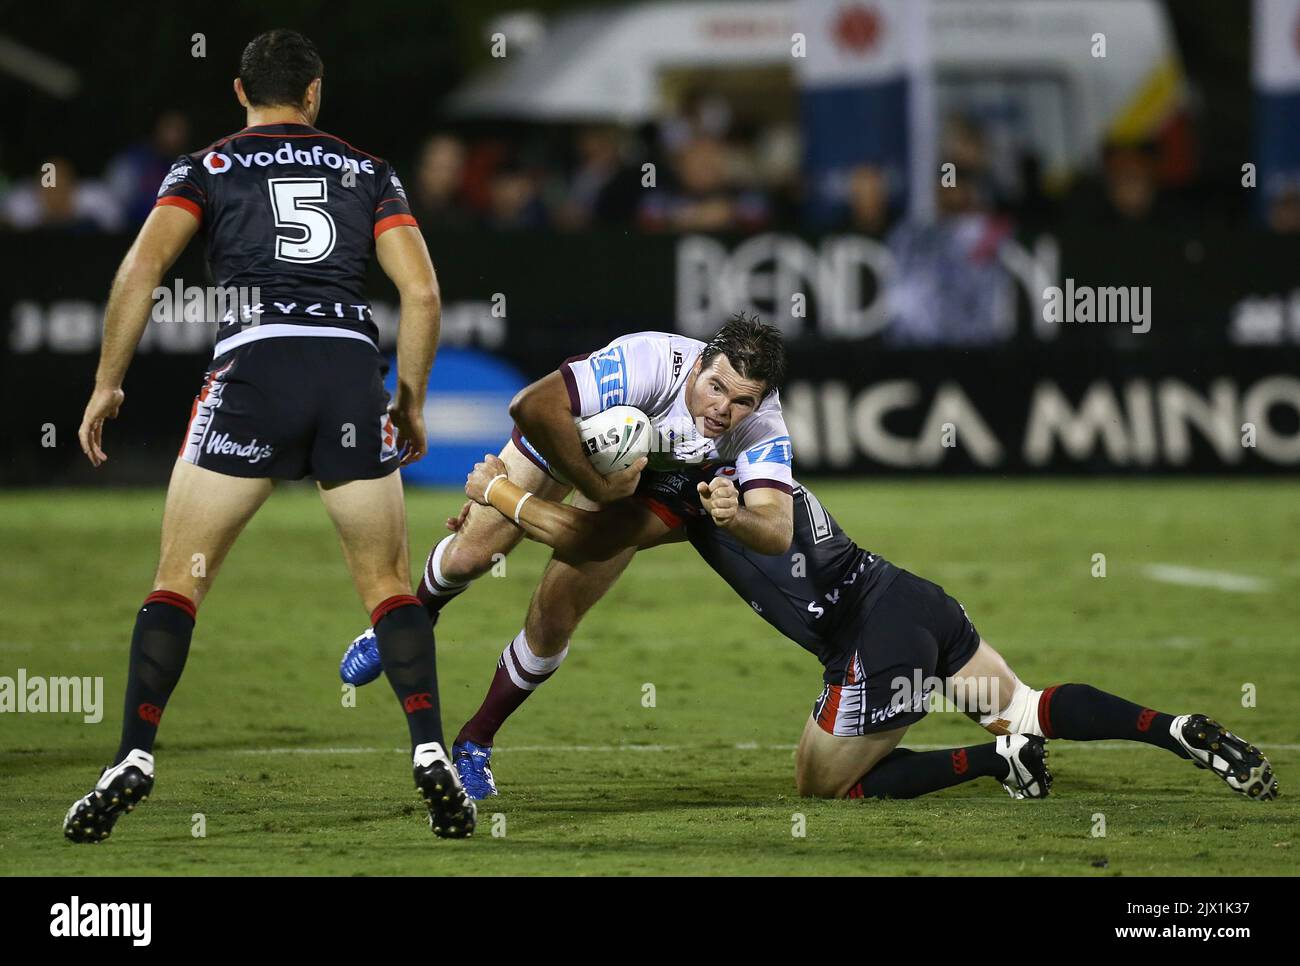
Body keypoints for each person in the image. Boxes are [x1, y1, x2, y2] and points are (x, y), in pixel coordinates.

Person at [64, 29, 474, 843]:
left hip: (252, 370)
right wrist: (412, 401)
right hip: (349, 374)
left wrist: (108, 382)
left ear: (239, 91)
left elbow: (140, 272)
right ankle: (431, 747)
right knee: (388, 585)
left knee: (178, 580)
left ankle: (133, 756)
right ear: (314, 94)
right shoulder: (369, 170)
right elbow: (422, 295)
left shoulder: (206, 166)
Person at [429, 454, 1279, 804]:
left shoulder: (691, 504)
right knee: (1024, 701)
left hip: (876, 648)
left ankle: (994, 762)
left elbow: (585, 537)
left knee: (823, 786)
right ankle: (1175, 730)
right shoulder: (761, 476)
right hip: (915, 599)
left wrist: (501, 496)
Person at [340, 316, 795, 798]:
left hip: (657, 481)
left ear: (760, 400)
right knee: (472, 554)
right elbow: (530, 404)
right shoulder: (652, 363)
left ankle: (474, 742)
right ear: (699, 365)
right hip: (575, 436)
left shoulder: (763, 426)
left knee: (555, 617)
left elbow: (777, 531)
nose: (722, 409)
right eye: (716, 387)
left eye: (742, 400)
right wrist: (593, 483)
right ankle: (410, 619)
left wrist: (735, 516)